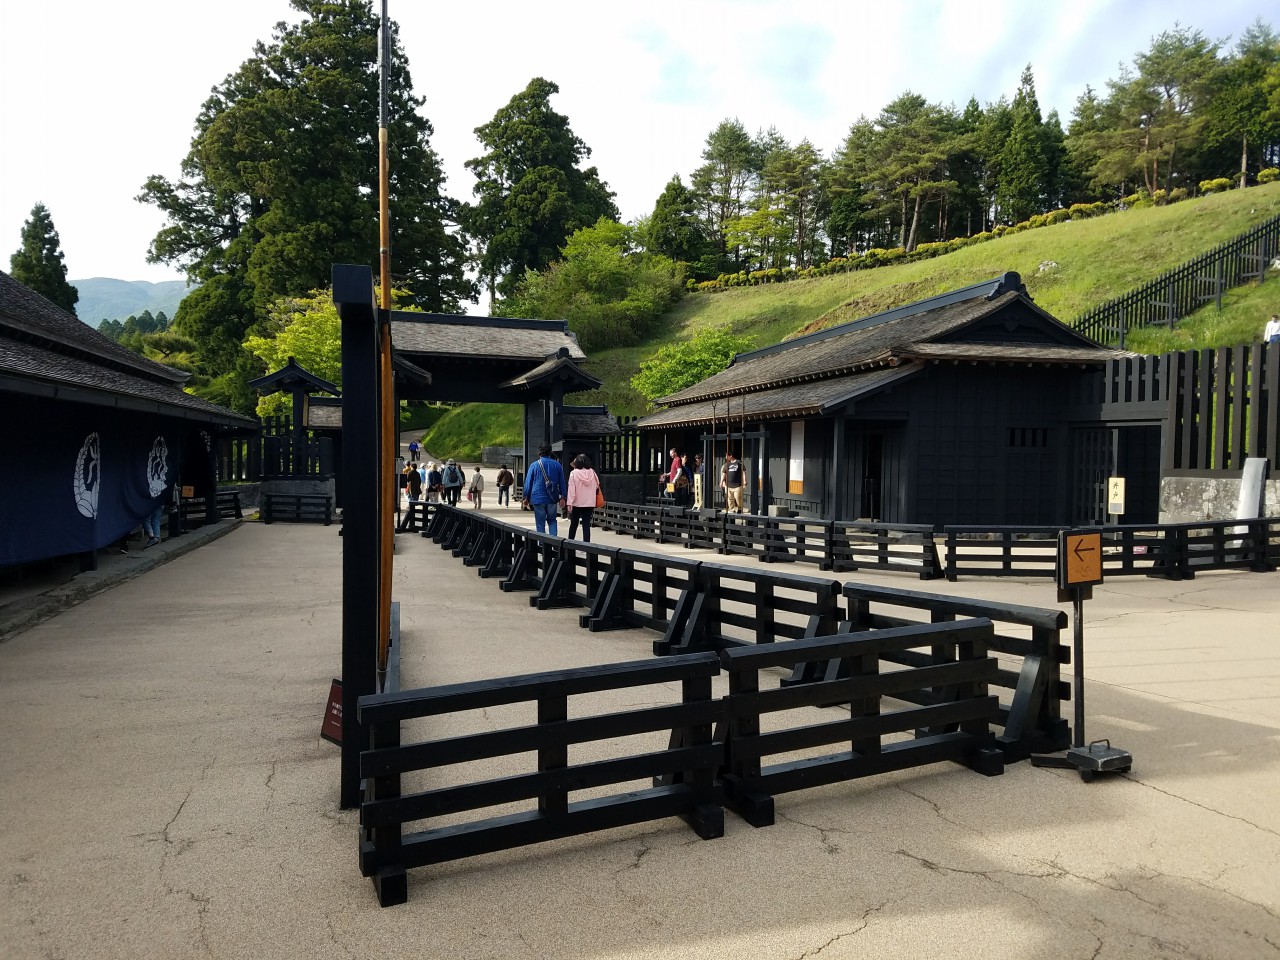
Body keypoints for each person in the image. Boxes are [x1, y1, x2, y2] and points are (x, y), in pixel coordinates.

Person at [523, 443, 566, 535]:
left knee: (540, 523)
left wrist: (526, 497)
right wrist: (563, 497)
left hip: (538, 498)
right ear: (550, 452)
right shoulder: (557, 465)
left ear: (539, 452)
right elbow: (562, 482)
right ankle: (553, 541)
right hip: (552, 498)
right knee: (552, 520)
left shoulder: (534, 465)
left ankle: (541, 542)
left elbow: (528, 483)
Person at [565, 453, 601, 541]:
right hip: (590, 503)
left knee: (574, 524)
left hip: (577, 503)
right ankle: (586, 544)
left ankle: (570, 542)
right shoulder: (592, 472)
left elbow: (571, 490)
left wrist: (569, 503)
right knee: (586, 524)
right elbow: (597, 485)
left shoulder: (573, 473)